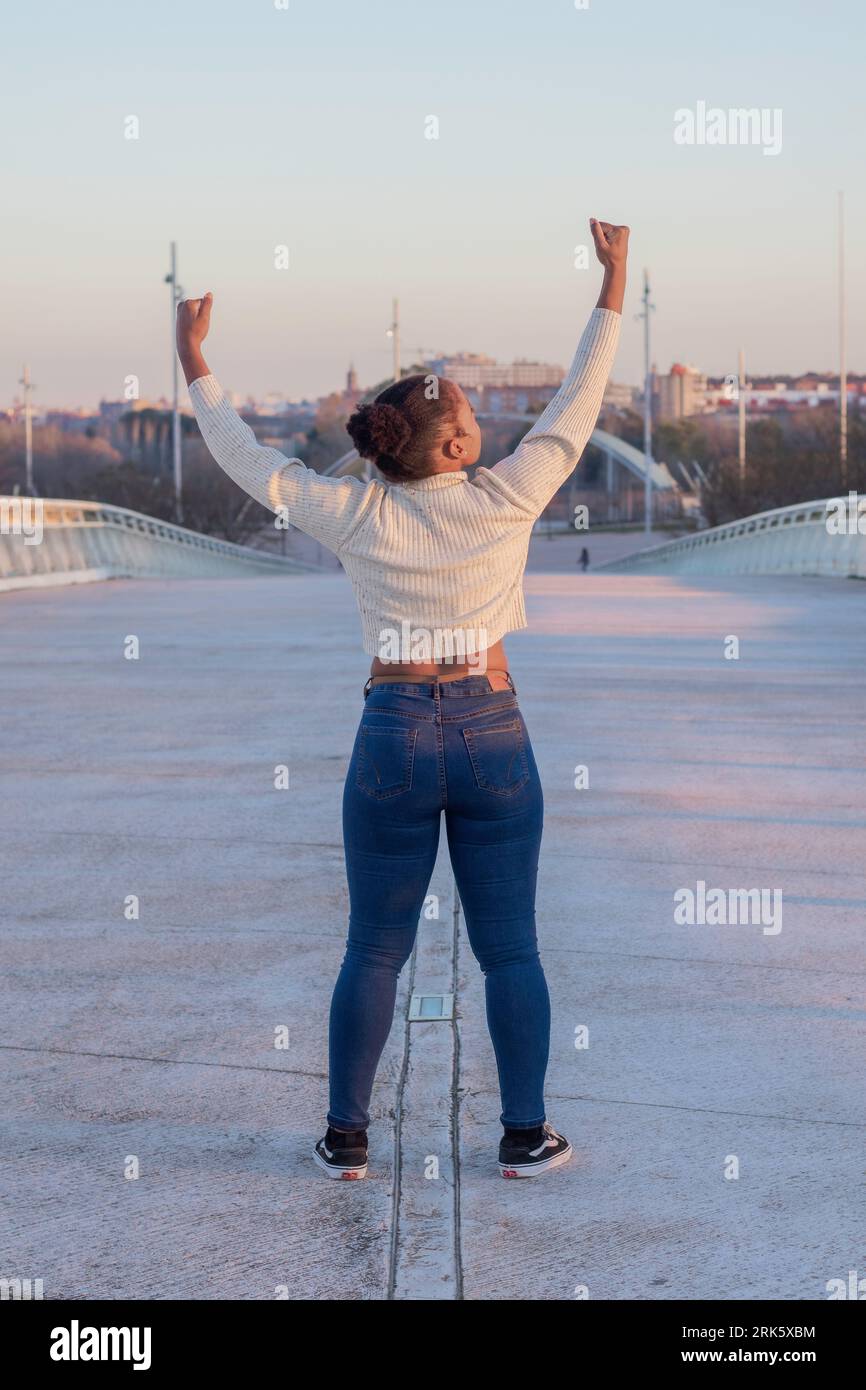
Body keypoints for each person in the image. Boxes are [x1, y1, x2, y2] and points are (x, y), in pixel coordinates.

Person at [175, 218, 627, 1180]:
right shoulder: (508, 496)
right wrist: (614, 284)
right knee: (511, 948)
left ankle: (346, 1139)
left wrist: (194, 359)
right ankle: (522, 1136)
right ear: (458, 440)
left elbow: (248, 461)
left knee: (373, 950)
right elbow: (576, 408)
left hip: (392, 731)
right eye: (468, 411)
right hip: (491, 725)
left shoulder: (357, 510)